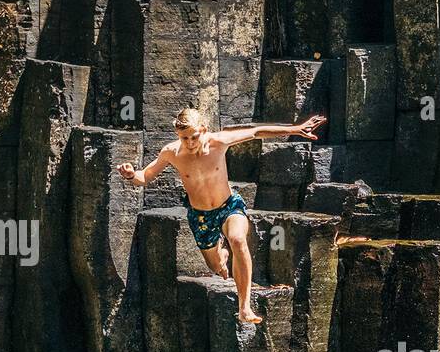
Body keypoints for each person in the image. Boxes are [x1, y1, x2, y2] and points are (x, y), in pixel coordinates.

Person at [115, 108, 327, 324]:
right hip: (200, 217)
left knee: (237, 239)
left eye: (194, 137)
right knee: (215, 266)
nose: (189, 142)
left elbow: (256, 131)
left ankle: (244, 307)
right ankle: (222, 256)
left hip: (228, 207)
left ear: (204, 130)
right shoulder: (171, 152)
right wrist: (132, 174)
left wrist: (296, 129)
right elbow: (145, 176)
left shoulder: (219, 141)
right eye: (184, 138)